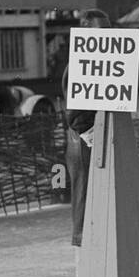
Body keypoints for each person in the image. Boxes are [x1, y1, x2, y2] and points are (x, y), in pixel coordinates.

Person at [61, 63, 96, 246]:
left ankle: (82, 236)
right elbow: (75, 112)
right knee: (82, 188)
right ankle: (81, 237)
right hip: (83, 136)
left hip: (82, 135)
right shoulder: (82, 64)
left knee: (83, 189)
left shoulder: (81, 62)